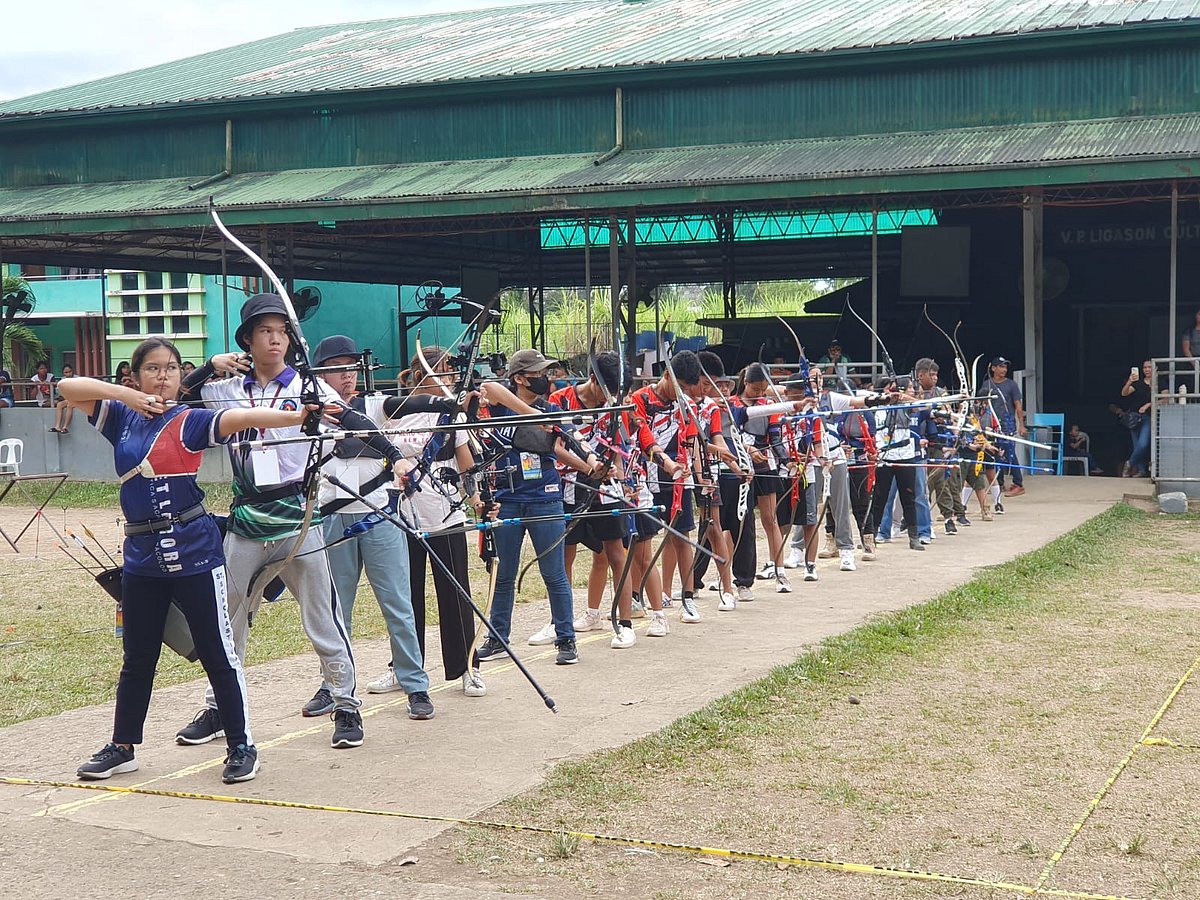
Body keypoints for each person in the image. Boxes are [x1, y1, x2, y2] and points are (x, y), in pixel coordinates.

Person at [61, 337, 319, 784]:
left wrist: (296, 415)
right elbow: (68, 385)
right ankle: (123, 746)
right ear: (135, 376)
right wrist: (124, 395)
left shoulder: (191, 420)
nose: (164, 376)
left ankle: (241, 744)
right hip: (142, 558)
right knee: (137, 656)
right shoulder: (119, 417)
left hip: (196, 554)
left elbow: (242, 416)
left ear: (183, 378)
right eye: (154, 368)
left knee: (218, 652)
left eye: (173, 369)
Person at [175, 293, 378, 749]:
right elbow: (175, 397)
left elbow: (354, 425)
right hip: (247, 519)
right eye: (265, 331)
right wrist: (210, 365)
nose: (275, 339)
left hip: (297, 518)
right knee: (227, 618)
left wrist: (395, 461)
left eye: (282, 331)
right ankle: (219, 706)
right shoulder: (224, 390)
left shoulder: (310, 388)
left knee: (322, 615)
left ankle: (345, 705)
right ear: (246, 340)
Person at [311, 335, 447, 721]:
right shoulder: (307, 413)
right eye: (338, 369)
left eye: (352, 368)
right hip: (334, 520)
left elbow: (411, 402)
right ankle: (332, 685)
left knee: (398, 605)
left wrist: (447, 402)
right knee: (335, 611)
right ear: (320, 375)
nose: (348, 376)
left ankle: (415, 684)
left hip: (380, 518)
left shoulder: (374, 405)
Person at [475, 348, 598, 667]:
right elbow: (489, 387)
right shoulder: (499, 403)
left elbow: (563, 444)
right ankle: (498, 637)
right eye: (539, 374)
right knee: (503, 574)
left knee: (554, 573)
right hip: (507, 499)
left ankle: (566, 638)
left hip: (544, 498)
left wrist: (590, 465)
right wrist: (532, 417)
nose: (546, 378)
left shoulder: (551, 409)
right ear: (519, 378)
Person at [386, 345, 487, 698]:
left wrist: (477, 500)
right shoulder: (394, 414)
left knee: (456, 592)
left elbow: (466, 464)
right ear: (419, 377)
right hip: (403, 516)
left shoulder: (452, 416)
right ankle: (404, 668)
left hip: (446, 515)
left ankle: (467, 668)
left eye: (449, 372)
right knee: (404, 595)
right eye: (440, 372)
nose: (449, 379)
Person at [980, 357, 1026, 497]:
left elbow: (1018, 405)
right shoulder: (987, 384)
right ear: (993, 368)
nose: (1004, 370)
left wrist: (1021, 425)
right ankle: (999, 483)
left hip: (1007, 424)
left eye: (1005, 367)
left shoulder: (1011, 385)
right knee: (994, 453)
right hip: (991, 425)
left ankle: (1018, 484)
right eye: (1000, 366)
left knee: (1009, 453)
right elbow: (982, 404)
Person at [1119, 360, 1153, 477]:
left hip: (1148, 417)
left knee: (1143, 444)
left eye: (1149, 367)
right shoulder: (1138, 383)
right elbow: (1124, 393)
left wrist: (1149, 404)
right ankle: (1141, 471)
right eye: (1145, 368)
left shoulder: (1160, 383)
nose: (1147, 370)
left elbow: (1165, 398)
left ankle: (1129, 463)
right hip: (1134, 417)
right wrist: (1129, 381)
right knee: (1137, 445)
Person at [50, 363, 75, 433]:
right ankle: (57, 426)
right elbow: (60, 391)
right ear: (63, 373)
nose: (68, 374)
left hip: (78, 399)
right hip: (68, 399)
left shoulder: (77, 379)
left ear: (72, 371)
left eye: (70, 371)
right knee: (59, 405)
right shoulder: (63, 380)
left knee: (70, 405)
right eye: (66, 372)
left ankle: (65, 427)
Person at [1180, 308, 1200, 396]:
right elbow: (1186, 349)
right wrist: (1194, 363)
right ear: (1195, 316)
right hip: (1193, 360)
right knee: (1193, 381)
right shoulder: (1189, 331)